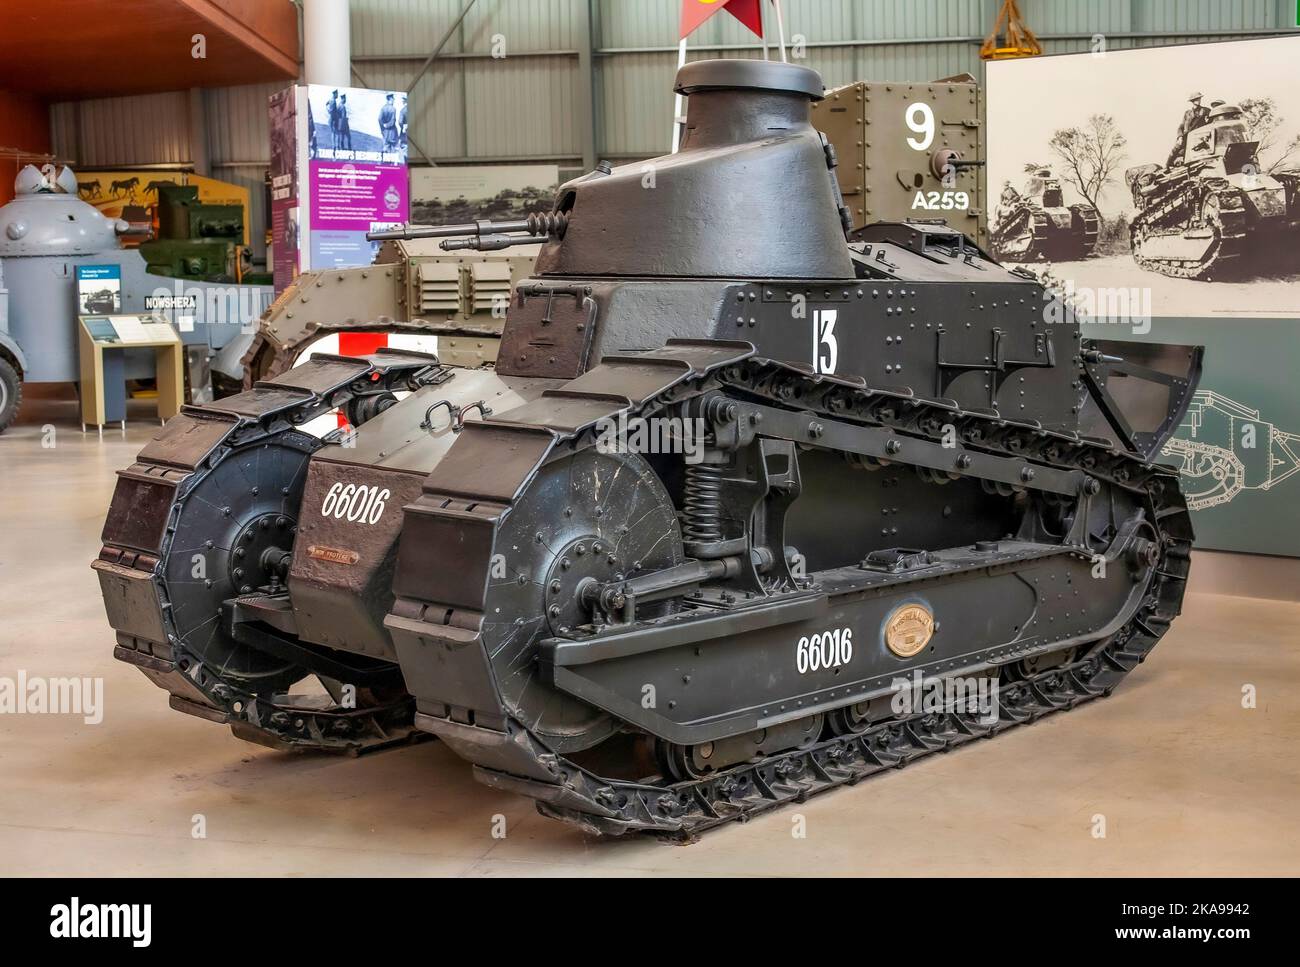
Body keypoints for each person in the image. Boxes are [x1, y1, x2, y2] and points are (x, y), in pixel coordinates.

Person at [1167, 92, 1208, 166]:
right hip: (1186, 136)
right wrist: (1180, 137)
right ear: (1192, 101)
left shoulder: (1205, 110)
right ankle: (1167, 165)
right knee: (1176, 149)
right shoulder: (1187, 113)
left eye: (1199, 99)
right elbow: (1181, 126)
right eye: (1196, 99)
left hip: (1197, 136)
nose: (1198, 100)